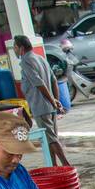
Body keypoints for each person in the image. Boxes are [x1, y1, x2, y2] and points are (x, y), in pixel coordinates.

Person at [13, 35, 68, 167]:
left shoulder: (26, 61)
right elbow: (54, 80)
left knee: (51, 138)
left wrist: (52, 100)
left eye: (15, 47)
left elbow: (39, 83)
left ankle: (66, 165)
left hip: (41, 106)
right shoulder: (40, 58)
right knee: (49, 138)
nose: (14, 50)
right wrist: (55, 99)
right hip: (49, 106)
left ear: (21, 48)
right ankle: (54, 167)